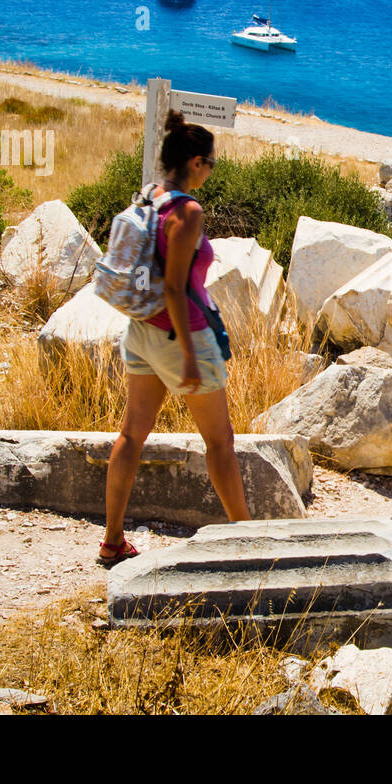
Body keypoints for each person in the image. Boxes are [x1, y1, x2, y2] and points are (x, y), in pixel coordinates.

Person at [98, 110, 251, 566]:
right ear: (197, 163)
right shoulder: (187, 211)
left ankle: (112, 541)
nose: (211, 171)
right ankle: (249, 540)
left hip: (140, 332)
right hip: (178, 335)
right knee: (220, 441)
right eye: (212, 163)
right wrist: (187, 353)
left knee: (131, 434)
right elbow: (175, 287)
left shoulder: (151, 197)